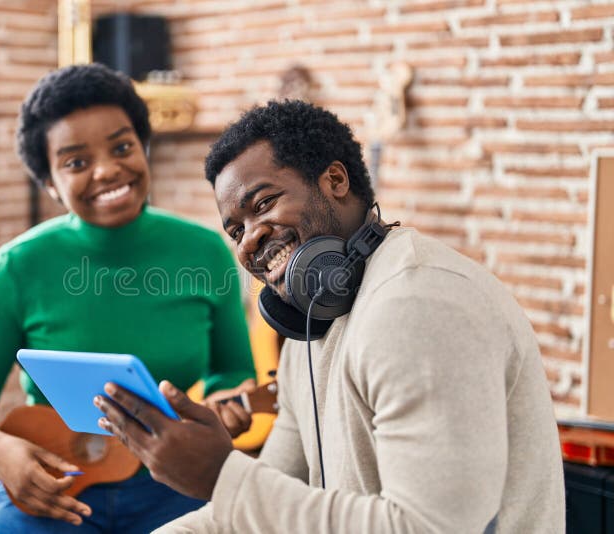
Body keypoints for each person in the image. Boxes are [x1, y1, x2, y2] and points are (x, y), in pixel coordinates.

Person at [94, 100, 566, 533]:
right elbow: (261, 504)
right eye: (235, 230)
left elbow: (426, 527)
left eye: (263, 204)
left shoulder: (419, 302)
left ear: (335, 181)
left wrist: (221, 475)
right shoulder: (310, 323)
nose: (250, 239)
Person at [0, 63, 256, 534]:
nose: (108, 170)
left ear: (143, 148)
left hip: (175, 481)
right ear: (49, 182)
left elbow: (233, 372)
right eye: (76, 162)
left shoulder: (204, 252)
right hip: (59, 484)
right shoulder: (17, 267)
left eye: (123, 147)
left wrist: (227, 406)